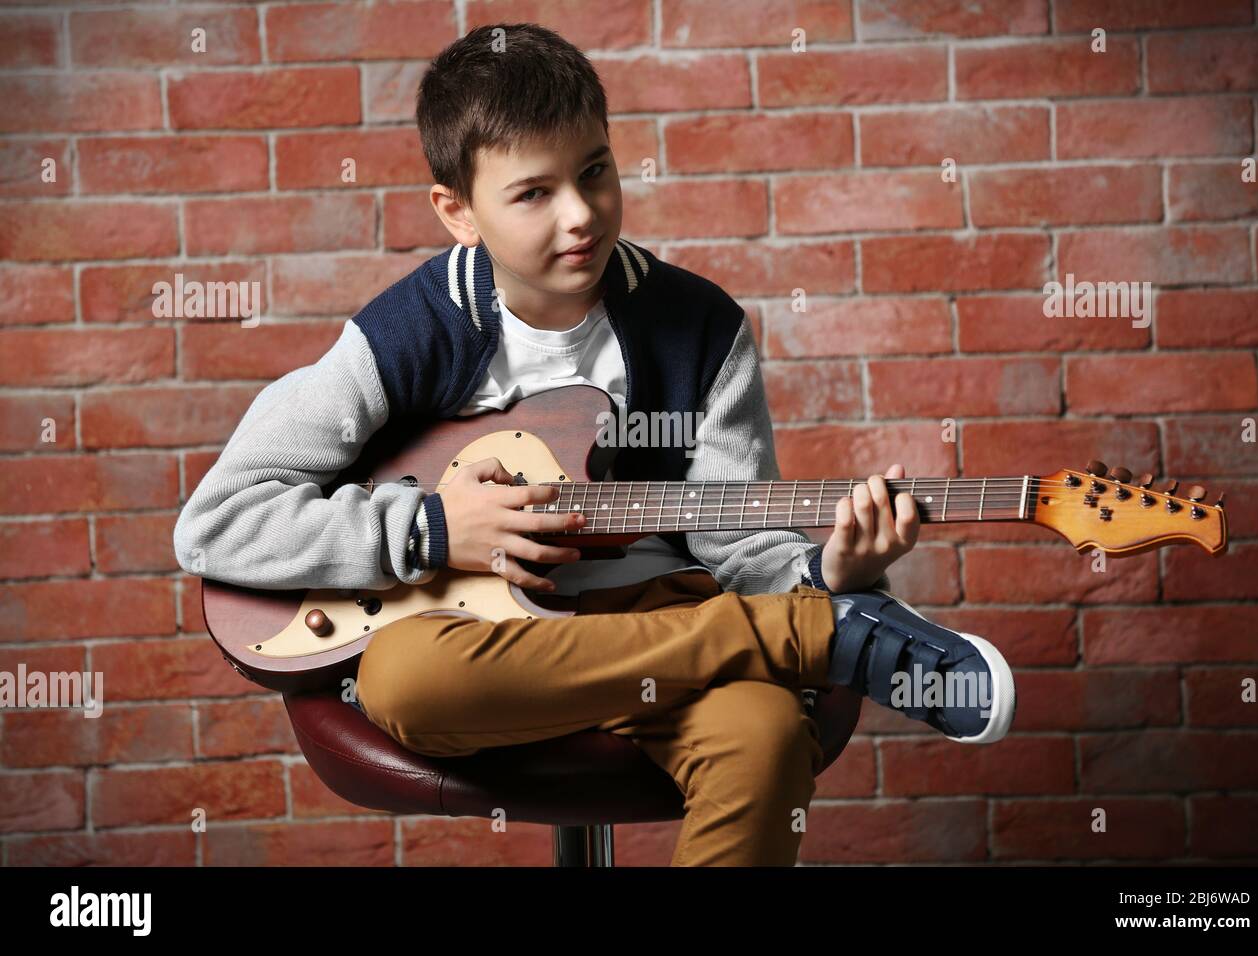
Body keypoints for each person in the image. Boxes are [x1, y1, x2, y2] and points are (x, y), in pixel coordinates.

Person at [173, 22, 1015, 866]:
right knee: (408, 683)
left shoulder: (698, 326)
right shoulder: (408, 333)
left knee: (763, 733)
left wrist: (835, 573)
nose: (580, 215)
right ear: (456, 211)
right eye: (533, 193)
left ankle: (812, 618)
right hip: (485, 649)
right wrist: (430, 530)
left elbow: (741, 542)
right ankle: (815, 634)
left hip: (661, 621)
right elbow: (214, 523)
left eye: (595, 172)